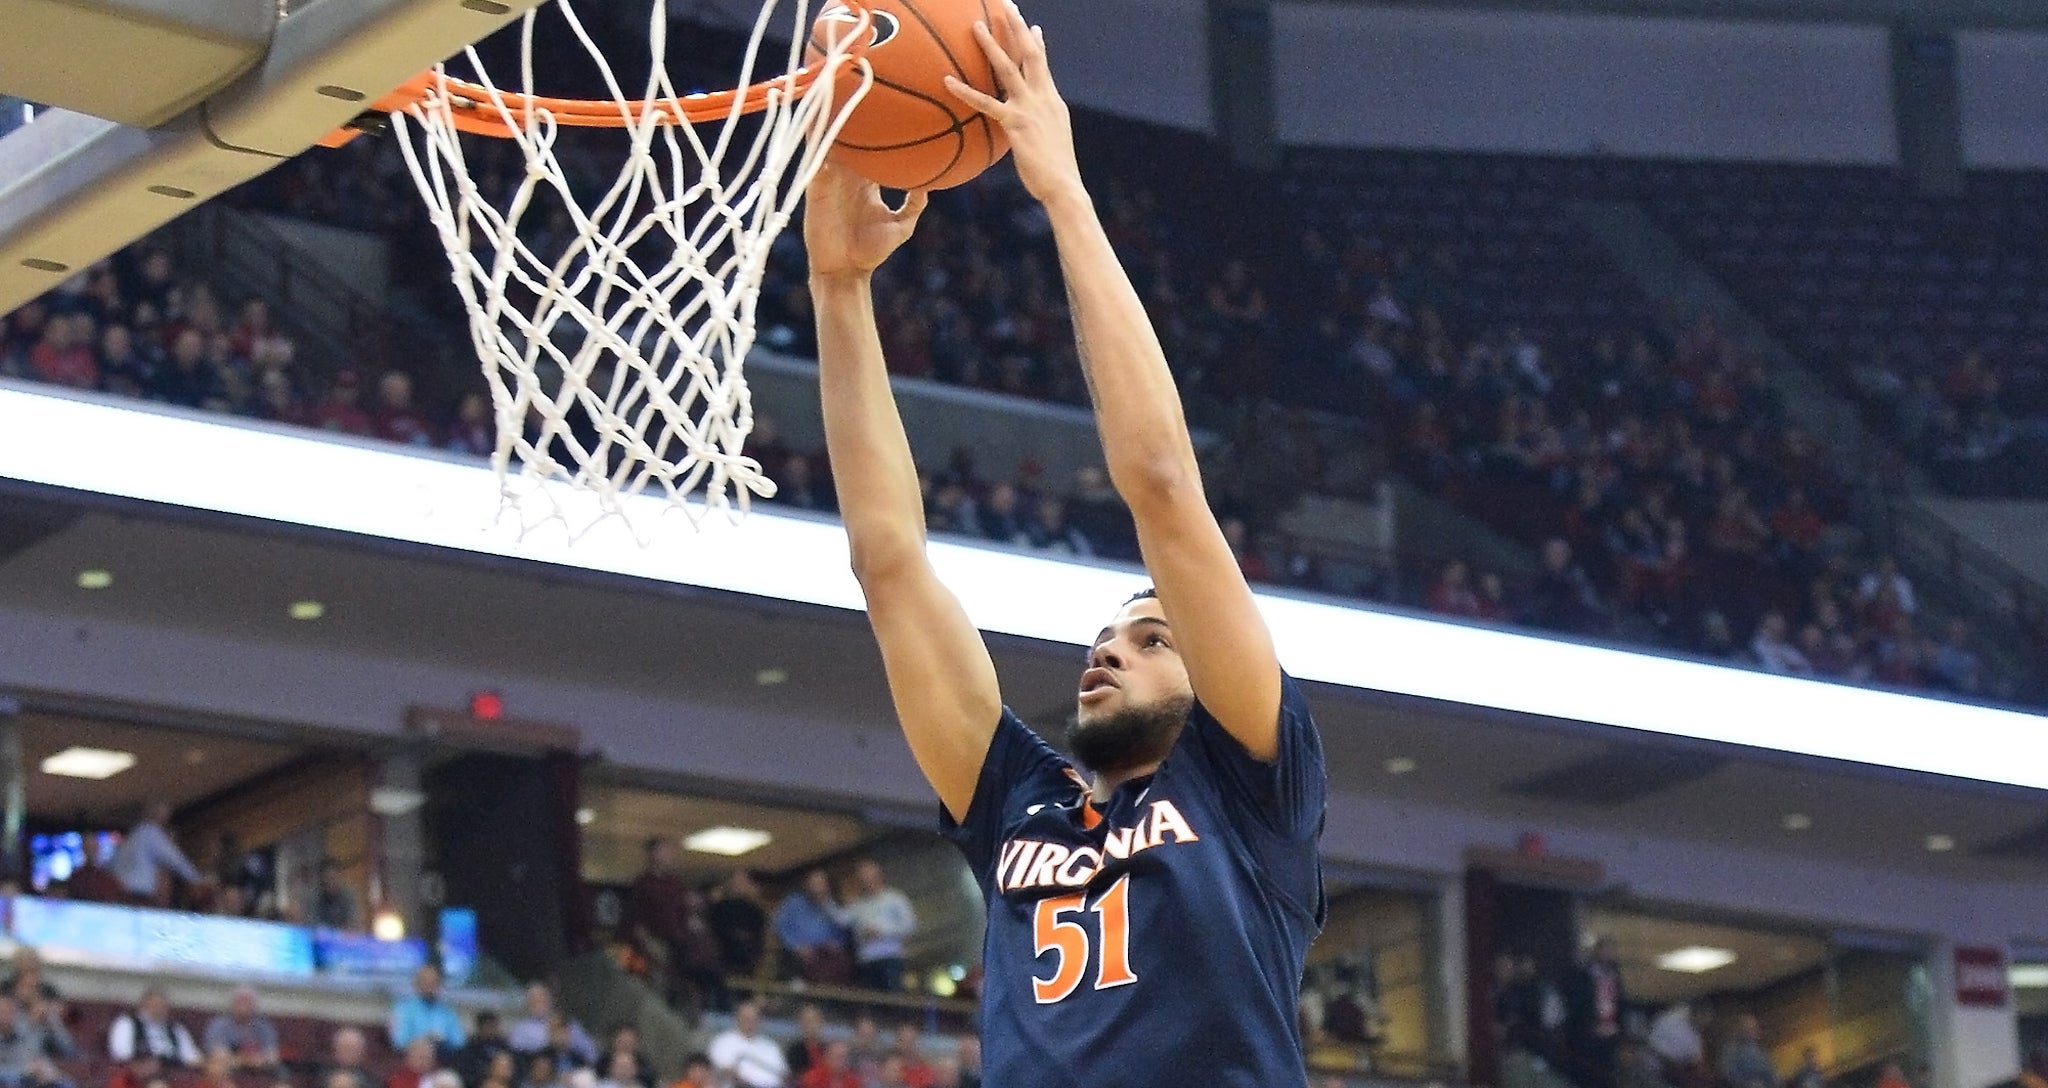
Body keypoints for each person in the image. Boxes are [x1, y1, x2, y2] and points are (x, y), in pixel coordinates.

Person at [801, 3, 1327, 1081]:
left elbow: (1164, 489)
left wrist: (1063, 193)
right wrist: (839, 287)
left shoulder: (1246, 792)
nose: (1108, 647)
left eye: (1149, 636)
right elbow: (889, 564)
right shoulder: (1017, 802)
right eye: (1108, 631)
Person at [107, 801, 205, 904]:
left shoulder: (132, 836)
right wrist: (197, 879)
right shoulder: (150, 832)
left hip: (120, 893)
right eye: (165, 815)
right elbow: (174, 858)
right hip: (138, 894)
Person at [840, 860, 915, 993]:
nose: (865, 881)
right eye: (862, 877)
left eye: (868, 876)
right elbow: (841, 920)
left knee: (894, 1000)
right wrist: (825, 900)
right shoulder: (857, 904)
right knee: (874, 1004)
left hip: (890, 958)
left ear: (878, 875)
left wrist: (881, 932)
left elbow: (910, 926)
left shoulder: (895, 898)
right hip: (866, 961)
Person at [772, 872, 851, 985]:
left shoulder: (833, 903)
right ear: (808, 885)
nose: (818, 887)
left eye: (821, 883)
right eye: (814, 883)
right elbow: (780, 925)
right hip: (799, 954)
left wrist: (838, 943)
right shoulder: (794, 902)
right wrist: (796, 946)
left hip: (829, 955)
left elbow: (844, 928)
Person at [108, 987, 202, 1068]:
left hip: (172, 1072)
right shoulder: (127, 1023)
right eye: (154, 1005)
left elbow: (191, 1056)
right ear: (143, 1005)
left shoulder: (175, 1028)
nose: (158, 1009)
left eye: (162, 1005)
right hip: (141, 1073)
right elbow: (121, 1054)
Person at [507, 985, 596, 1068]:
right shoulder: (521, 1028)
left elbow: (591, 1052)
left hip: (572, 1071)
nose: (539, 1004)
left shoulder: (568, 1022)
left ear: (550, 1001)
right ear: (528, 1003)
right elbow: (514, 1051)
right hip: (540, 1073)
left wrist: (569, 1043)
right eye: (534, 1001)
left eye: (543, 1000)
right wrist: (549, 1042)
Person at [389, 965, 467, 1058]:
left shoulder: (447, 1012)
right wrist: (425, 1041)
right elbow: (399, 1042)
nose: (430, 987)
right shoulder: (402, 1008)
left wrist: (440, 1042)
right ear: (416, 984)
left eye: (434, 983)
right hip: (413, 1058)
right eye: (426, 982)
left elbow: (459, 1042)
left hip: (443, 1057)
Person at [705, 1002, 786, 1088]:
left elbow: (783, 1074)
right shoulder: (723, 1041)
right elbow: (724, 1070)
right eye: (745, 1017)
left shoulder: (771, 1046)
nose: (749, 1021)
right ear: (737, 1018)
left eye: (754, 1018)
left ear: (760, 1020)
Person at [202, 986, 280, 1071]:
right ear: (231, 1004)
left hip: (262, 1069)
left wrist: (262, 1060)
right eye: (240, 1001)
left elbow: (273, 1056)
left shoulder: (264, 1026)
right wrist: (247, 1061)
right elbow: (218, 1055)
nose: (244, 1006)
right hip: (229, 1068)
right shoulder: (218, 1025)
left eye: (248, 1002)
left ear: (255, 1006)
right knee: (216, 1067)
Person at [795, 1042, 860, 1088]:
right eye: (837, 1057)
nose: (841, 1061)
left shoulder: (853, 1081)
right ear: (827, 1057)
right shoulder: (811, 1079)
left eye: (844, 1057)